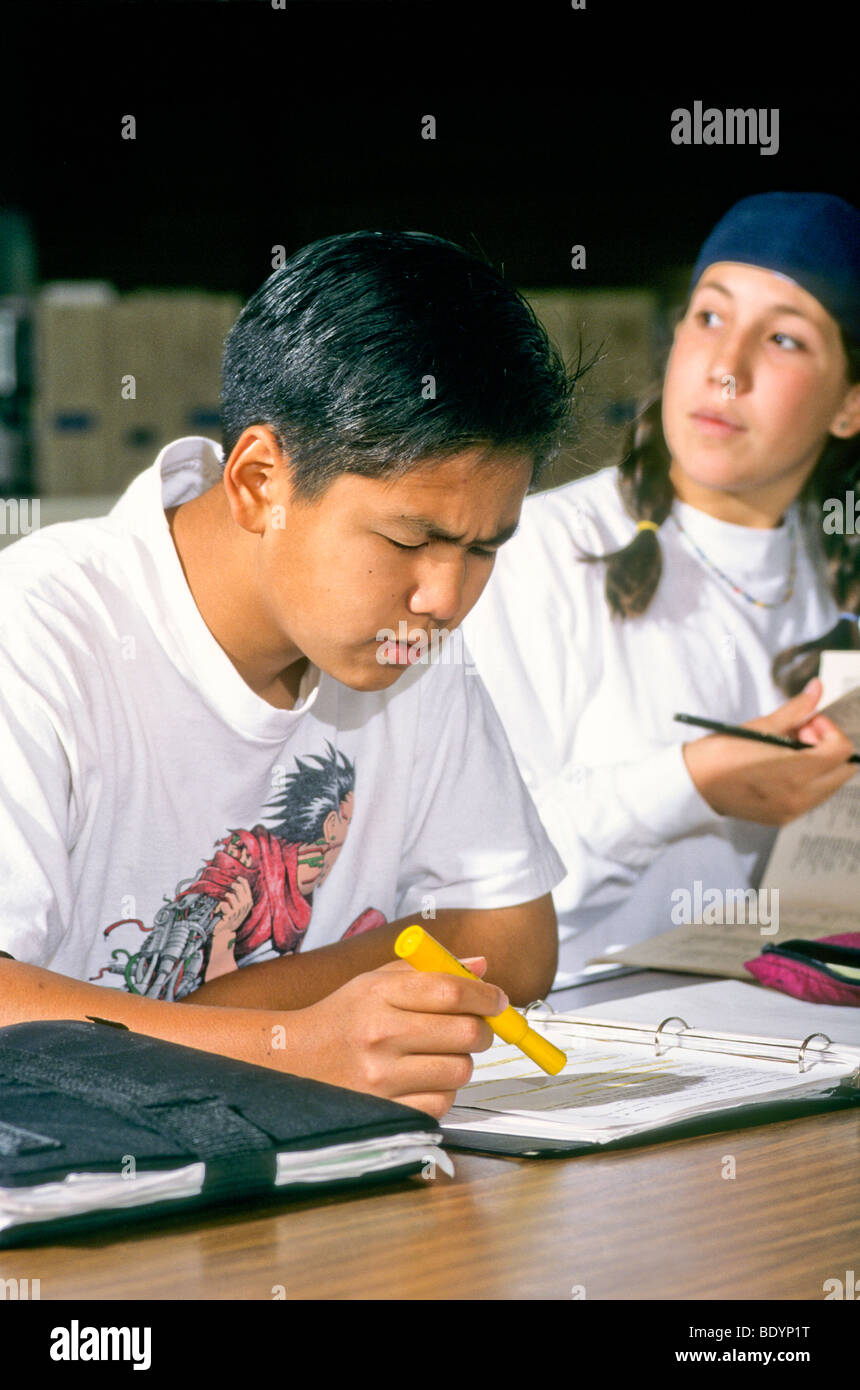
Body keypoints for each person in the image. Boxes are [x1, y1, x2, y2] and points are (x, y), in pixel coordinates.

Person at [0, 229, 580, 1118]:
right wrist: (295, 1043)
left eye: (484, 549)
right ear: (261, 479)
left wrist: (214, 1024)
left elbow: (513, 934)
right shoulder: (39, 632)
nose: (445, 596)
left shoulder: (411, 644)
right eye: (412, 539)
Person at [462, 192, 860, 969]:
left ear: (850, 405)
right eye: (710, 317)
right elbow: (470, 882)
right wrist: (686, 785)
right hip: (579, 1045)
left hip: (797, 1045)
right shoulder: (539, 550)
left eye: (782, 338)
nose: (726, 369)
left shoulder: (836, 578)